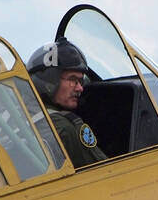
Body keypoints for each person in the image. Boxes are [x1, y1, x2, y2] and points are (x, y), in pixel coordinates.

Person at [24, 39, 106, 168]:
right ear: (50, 80)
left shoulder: (13, 113)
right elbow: (104, 169)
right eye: (73, 80)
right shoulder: (65, 126)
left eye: (81, 81)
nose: (80, 88)